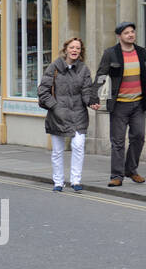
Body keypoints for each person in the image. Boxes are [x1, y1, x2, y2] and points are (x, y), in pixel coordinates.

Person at [96, 21, 146, 187]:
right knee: (118, 141)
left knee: (139, 137)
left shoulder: (142, 53)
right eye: (127, 33)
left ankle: (131, 169)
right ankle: (116, 175)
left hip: (138, 103)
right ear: (119, 36)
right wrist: (95, 97)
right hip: (119, 105)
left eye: (132, 32)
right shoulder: (111, 54)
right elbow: (101, 75)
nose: (131, 35)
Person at [38, 37, 100, 193]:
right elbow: (43, 91)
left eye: (78, 48)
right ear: (65, 49)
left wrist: (91, 102)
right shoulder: (54, 67)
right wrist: (55, 107)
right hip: (57, 115)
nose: (74, 50)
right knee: (58, 151)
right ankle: (58, 182)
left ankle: (75, 181)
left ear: (81, 52)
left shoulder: (84, 69)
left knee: (78, 146)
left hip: (78, 114)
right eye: (72, 47)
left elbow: (86, 92)